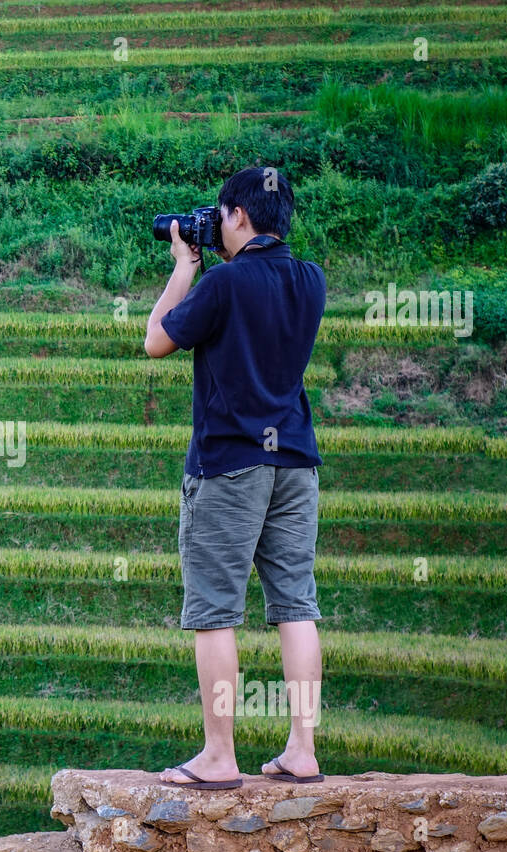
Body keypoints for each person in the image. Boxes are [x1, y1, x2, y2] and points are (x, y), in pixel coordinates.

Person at [143, 166, 326, 789]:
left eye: (222, 215)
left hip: (229, 464)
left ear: (239, 217)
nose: (217, 225)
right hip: (295, 460)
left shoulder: (223, 285)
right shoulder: (311, 281)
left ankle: (220, 755)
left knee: (217, 612)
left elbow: (156, 341)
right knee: (295, 605)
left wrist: (183, 268)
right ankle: (302, 749)